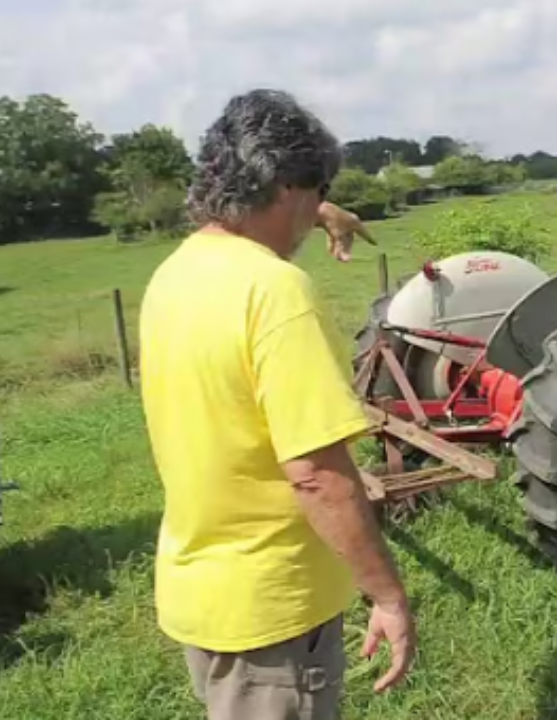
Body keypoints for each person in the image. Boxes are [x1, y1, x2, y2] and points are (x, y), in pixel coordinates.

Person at [138, 88, 416, 720]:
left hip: (204, 592)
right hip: (273, 611)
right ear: (289, 189)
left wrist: (321, 210)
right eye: (318, 191)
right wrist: (388, 596)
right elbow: (317, 475)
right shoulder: (275, 291)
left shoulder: (177, 273)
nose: (321, 208)